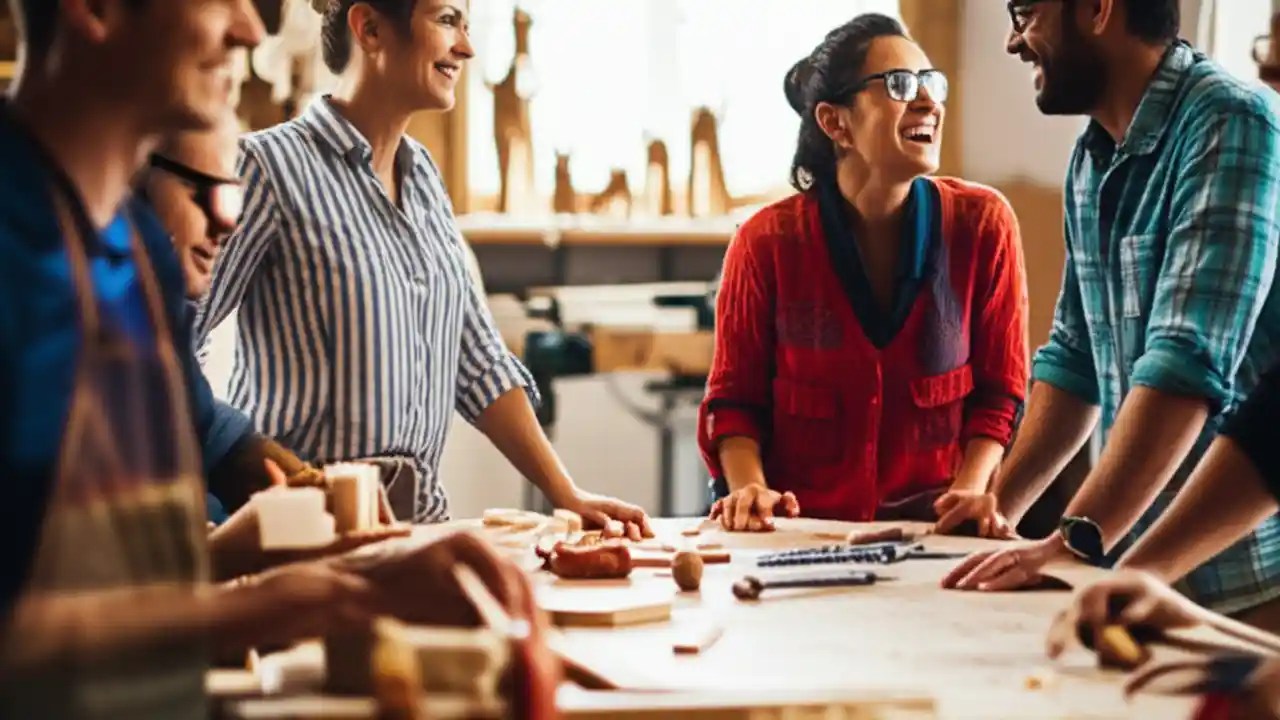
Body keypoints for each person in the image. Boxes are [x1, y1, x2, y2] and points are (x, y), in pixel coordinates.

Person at [0, 1, 554, 718]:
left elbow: (118, 577)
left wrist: (308, 547)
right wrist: (293, 600)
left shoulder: (135, 249)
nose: (251, 29)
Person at [195, 0, 652, 538]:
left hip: (419, 532)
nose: (467, 47)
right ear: (369, 28)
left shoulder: (424, 178)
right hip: (305, 537)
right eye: (447, 20)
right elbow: (168, 344)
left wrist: (566, 493)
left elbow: (477, 359)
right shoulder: (268, 168)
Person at [940, 0, 1280, 623]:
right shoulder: (1092, 155)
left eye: (1025, 12)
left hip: (1246, 587)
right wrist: (998, 509)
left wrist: (1072, 543)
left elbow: (1186, 365)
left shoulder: (1231, 120)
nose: (1015, 42)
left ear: (1098, 10)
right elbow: (1075, 358)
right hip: (1129, 568)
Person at [697, 13, 1029, 532]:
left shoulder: (983, 226)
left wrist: (967, 492)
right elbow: (735, 403)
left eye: (931, 82)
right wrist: (750, 491)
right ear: (835, 123)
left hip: (934, 536)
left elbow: (999, 393)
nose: (928, 101)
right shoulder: (764, 243)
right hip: (797, 536)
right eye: (900, 84)